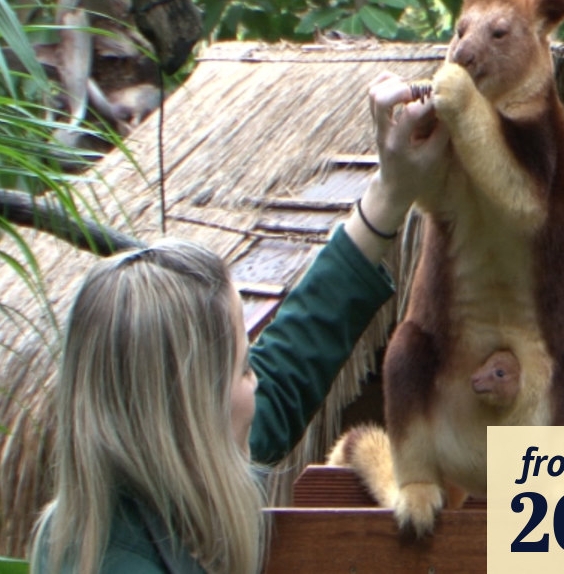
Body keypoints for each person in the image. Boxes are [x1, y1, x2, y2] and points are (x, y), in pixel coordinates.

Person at [29, 73, 450, 574]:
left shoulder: (155, 494)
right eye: (244, 367)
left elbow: (291, 361)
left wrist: (391, 190)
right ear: (193, 406)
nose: (257, 386)